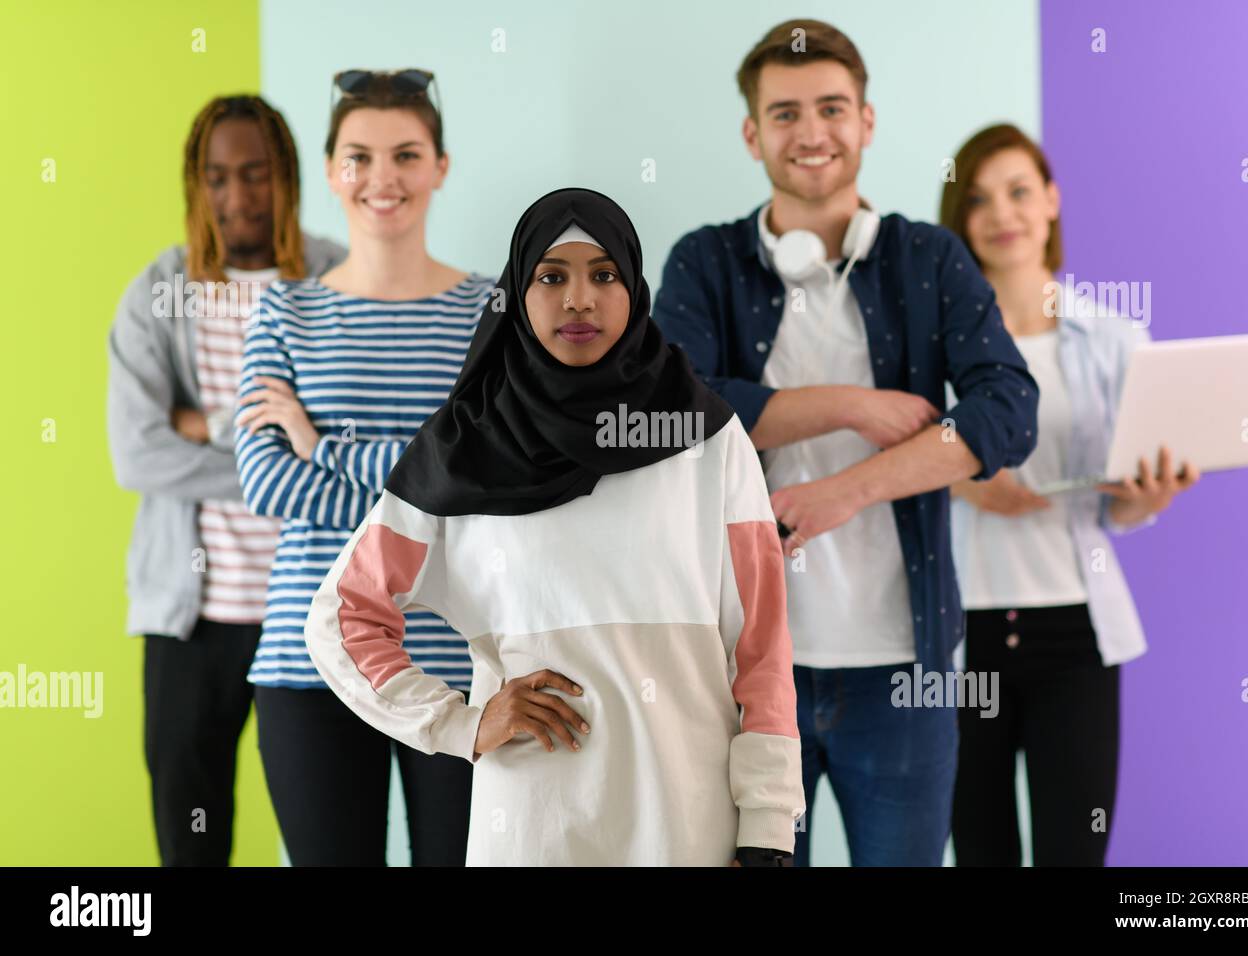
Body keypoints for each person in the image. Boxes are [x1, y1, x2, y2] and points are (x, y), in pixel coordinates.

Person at [303, 187, 805, 866]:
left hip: (687, 829)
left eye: (604, 275)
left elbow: (762, 651)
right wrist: (462, 724)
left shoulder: (707, 440)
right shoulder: (463, 452)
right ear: (517, 292)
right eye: (550, 277)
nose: (579, 299)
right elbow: (342, 616)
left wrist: (769, 826)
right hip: (531, 832)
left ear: (634, 288)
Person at [652, 19, 1040, 866]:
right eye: (785, 113)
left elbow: (1008, 408)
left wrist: (845, 491)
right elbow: (671, 411)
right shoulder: (705, 262)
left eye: (832, 108)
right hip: (740, 669)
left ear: (866, 120)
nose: (812, 132)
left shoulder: (930, 258)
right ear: (753, 133)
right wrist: (846, 406)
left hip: (905, 669)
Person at [234, 69, 495, 865]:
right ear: (330, 169)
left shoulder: (489, 312)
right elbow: (264, 482)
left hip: (458, 663)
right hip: (309, 661)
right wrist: (424, 478)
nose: (382, 179)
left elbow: (488, 479)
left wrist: (323, 446)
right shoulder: (285, 310)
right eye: (359, 157)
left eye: (406, 155)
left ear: (440, 167)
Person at [939, 123, 1198, 866]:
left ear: (1051, 200)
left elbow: (1119, 505)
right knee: (981, 853)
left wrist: (1148, 499)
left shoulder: (1116, 338)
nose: (1002, 213)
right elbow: (890, 458)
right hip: (963, 641)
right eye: (980, 198)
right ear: (960, 219)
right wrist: (963, 481)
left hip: (1078, 636)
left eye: (1020, 191)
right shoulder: (936, 345)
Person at [107, 94, 345, 866]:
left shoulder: (341, 276)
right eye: (216, 178)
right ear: (194, 184)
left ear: (287, 176)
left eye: (254, 174)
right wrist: (271, 454)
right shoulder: (159, 291)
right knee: (190, 843)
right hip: (192, 619)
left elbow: (367, 440)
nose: (237, 197)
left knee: (328, 841)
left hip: (316, 613)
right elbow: (136, 454)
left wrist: (200, 421)